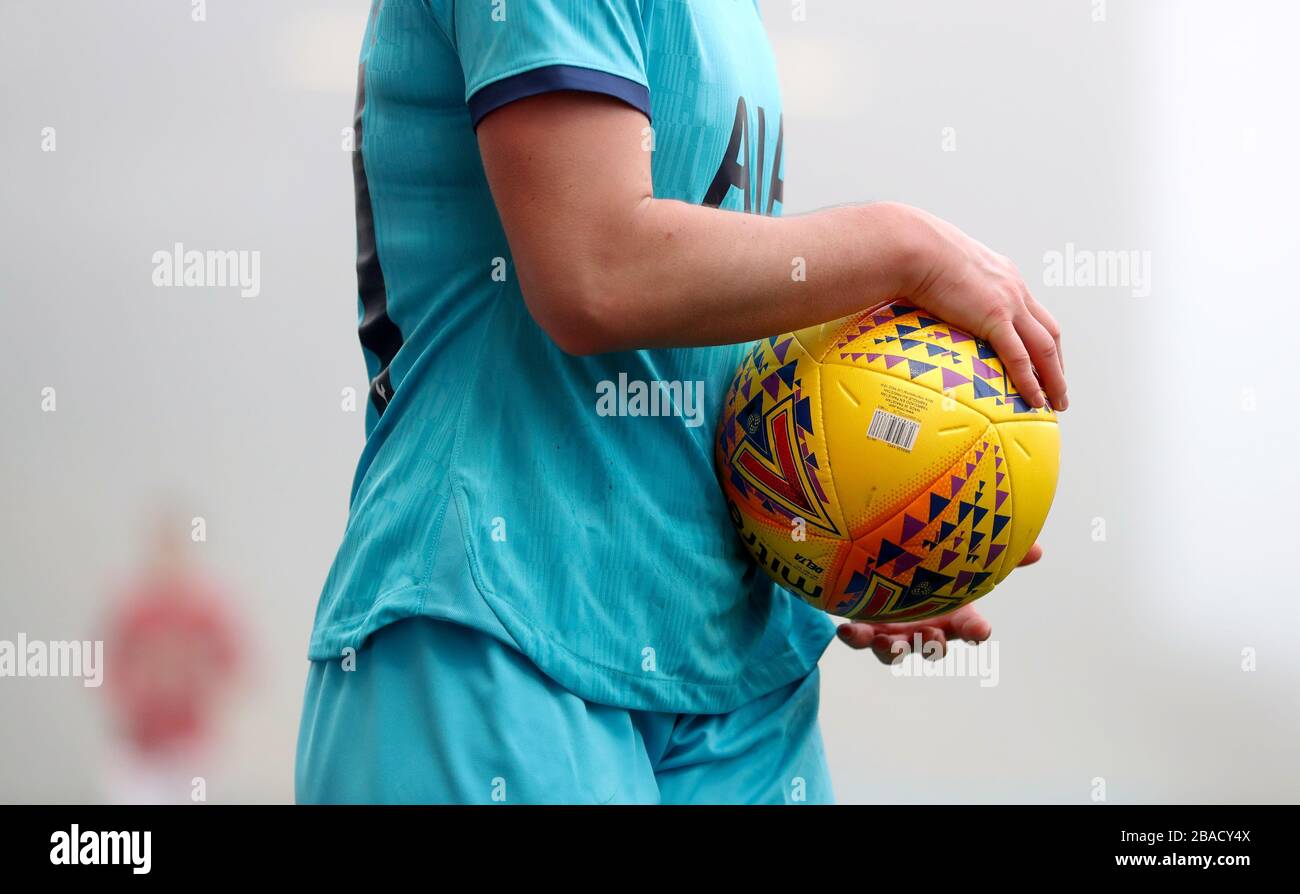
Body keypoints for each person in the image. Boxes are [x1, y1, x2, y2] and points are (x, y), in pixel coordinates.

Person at [296, 0, 1066, 804]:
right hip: (500, 628)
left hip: (732, 669)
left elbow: (694, 347)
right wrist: (905, 247)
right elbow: (594, 274)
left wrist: (857, 522)